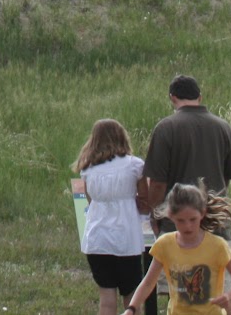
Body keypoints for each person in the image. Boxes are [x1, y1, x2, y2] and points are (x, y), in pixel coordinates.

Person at [122, 183, 231, 315]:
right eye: (181, 220)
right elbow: (148, 283)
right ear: (171, 216)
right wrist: (131, 309)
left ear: (202, 213)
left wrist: (229, 296)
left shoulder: (218, 246)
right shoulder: (164, 244)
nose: (188, 226)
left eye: (193, 219)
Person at [139, 75, 231, 235]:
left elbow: (158, 184)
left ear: (172, 98)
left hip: (176, 224)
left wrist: (155, 215)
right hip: (215, 222)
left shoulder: (166, 128)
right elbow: (226, 177)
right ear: (200, 97)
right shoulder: (223, 127)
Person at [75, 119, 148, 315]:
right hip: (126, 238)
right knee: (132, 300)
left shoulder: (87, 169)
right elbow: (144, 200)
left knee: (106, 300)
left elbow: (91, 202)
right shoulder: (135, 165)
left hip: (97, 238)